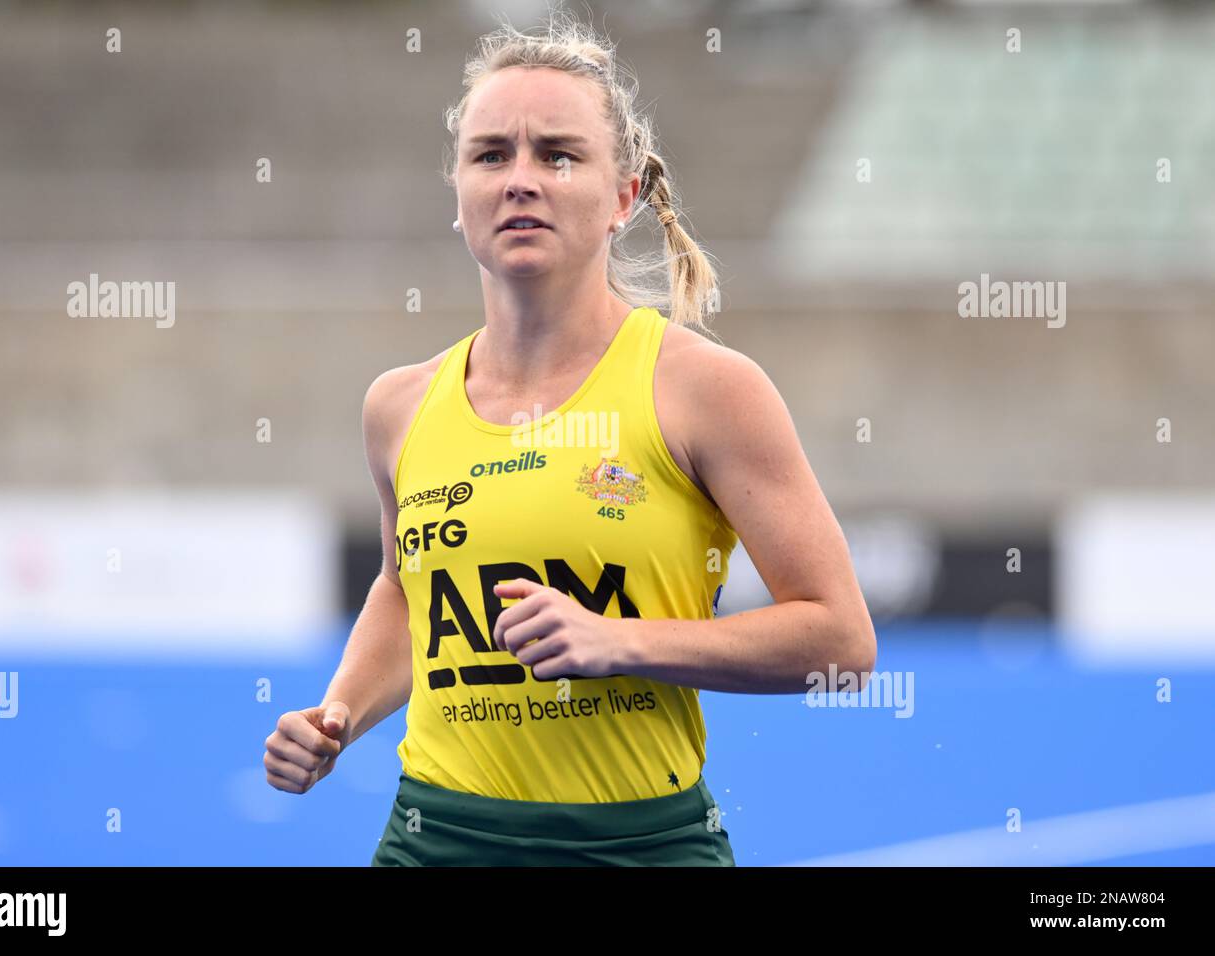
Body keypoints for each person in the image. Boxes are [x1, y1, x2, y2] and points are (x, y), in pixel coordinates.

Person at [264, 7, 876, 867]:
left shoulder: (705, 389)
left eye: (557, 154)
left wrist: (620, 641)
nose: (521, 179)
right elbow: (406, 591)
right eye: (491, 155)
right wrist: (338, 714)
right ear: (459, 193)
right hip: (435, 841)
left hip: (640, 846)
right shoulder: (398, 405)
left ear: (624, 196)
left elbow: (841, 642)